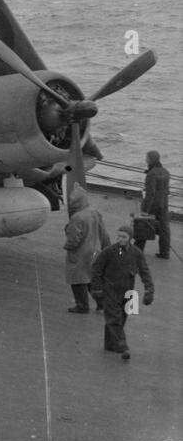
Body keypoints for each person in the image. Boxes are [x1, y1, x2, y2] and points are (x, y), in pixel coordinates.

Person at [90, 225, 154, 360]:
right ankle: (122, 346)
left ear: (130, 238)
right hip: (110, 291)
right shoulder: (108, 252)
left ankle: (110, 344)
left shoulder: (136, 253)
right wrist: (97, 289)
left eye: (124, 237)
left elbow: (144, 271)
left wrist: (149, 289)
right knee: (114, 318)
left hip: (128, 292)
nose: (120, 239)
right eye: (118, 236)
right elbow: (96, 270)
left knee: (122, 318)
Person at [63, 186, 109, 313]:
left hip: (80, 253)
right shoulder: (94, 212)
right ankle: (102, 303)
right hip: (95, 250)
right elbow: (103, 233)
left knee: (77, 280)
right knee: (91, 279)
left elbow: (74, 239)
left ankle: (82, 306)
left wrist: (67, 247)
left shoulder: (77, 217)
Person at [138, 151, 171, 259]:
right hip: (164, 203)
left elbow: (150, 193)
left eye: (146, 158)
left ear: (150, 160)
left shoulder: (151, 174)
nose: (145, 160)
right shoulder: (166, 172)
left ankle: (138, 251)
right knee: (164, 228)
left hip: (153, 204)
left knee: (143, 224)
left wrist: (145, 210)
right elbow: (167, 190)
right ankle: (164, 253)